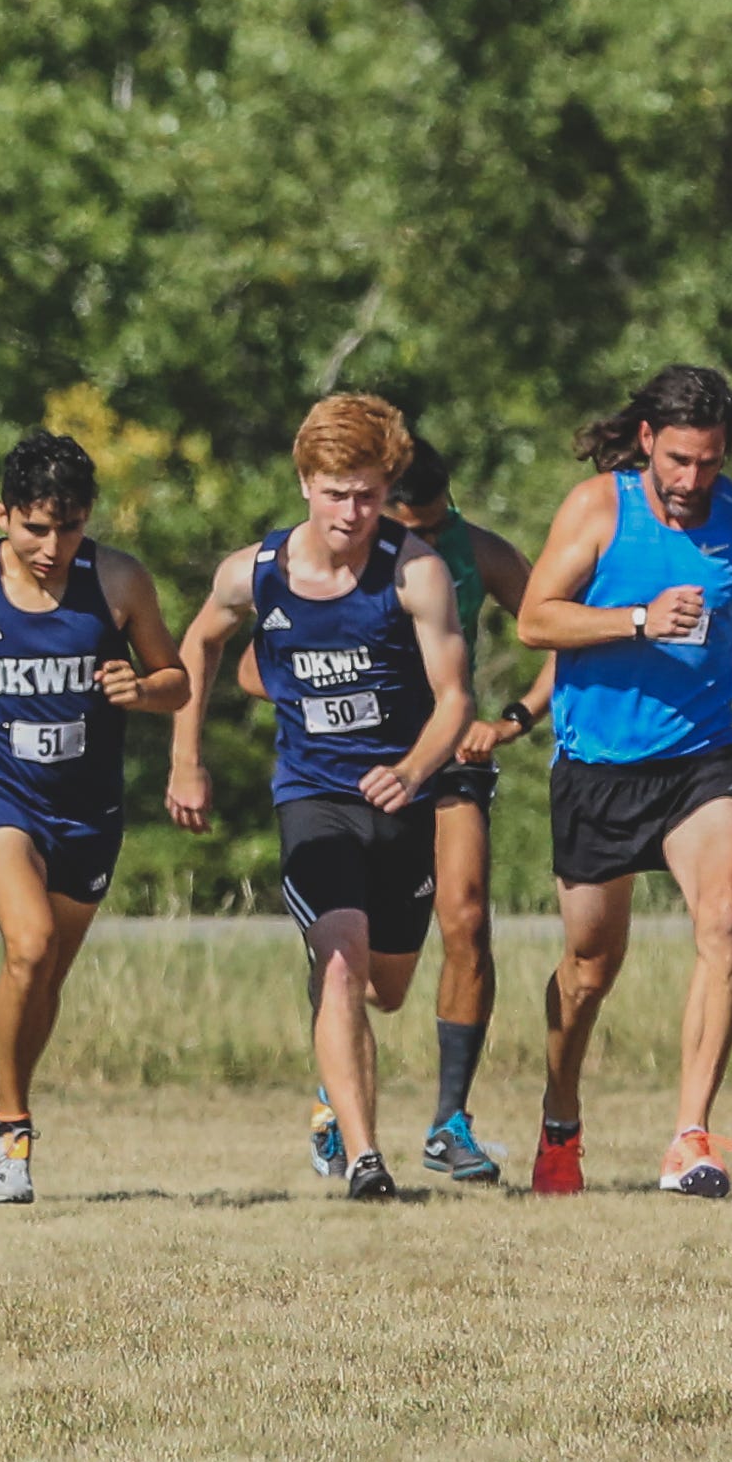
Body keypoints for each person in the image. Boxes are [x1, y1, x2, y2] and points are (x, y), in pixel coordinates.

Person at [170, 393, 473, 1200]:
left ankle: (334, 1075)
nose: (352, 510)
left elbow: (454, 699)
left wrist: (412, 770)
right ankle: (368, 1158)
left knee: (388, 984)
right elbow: (199, 642)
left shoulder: (414, 572)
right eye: (337, 491)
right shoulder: (254, 573)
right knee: (340, 958)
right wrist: (185, 757)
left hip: (400, 799)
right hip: (312, 794)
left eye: (369, 493)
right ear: (305, 481)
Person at [0, 427, 190, 1204]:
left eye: (71, 525)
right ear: (2, 514)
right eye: (35, 527)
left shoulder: (119, 581)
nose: (53, 545)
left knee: (46, 973)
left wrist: (144, 691)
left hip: (86, 806)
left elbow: (176, 678)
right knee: (30, 943)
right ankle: (12, 1127)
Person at [513, 365, 732, 1197]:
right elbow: (534, 619)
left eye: (707, 462)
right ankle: (561, 1115)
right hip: (599, 768)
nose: (692, 480)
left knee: (727, 914)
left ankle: (689, 1137)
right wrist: (636, 619)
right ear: (646, 443)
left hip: (700, 757)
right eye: (677, 461)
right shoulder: (599, 507)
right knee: (590, 968)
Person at [381, 441, 552, 1184]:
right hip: (364, 761)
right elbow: (262, 661)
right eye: (407, 523)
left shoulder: (478, 549)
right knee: (356, 936)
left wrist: (513, 717)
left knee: (467, 917)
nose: (424, 535)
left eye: (434, 519)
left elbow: (557, 628)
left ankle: (449, 1121)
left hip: (452, 755)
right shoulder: (331, 552)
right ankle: (337, 1098)